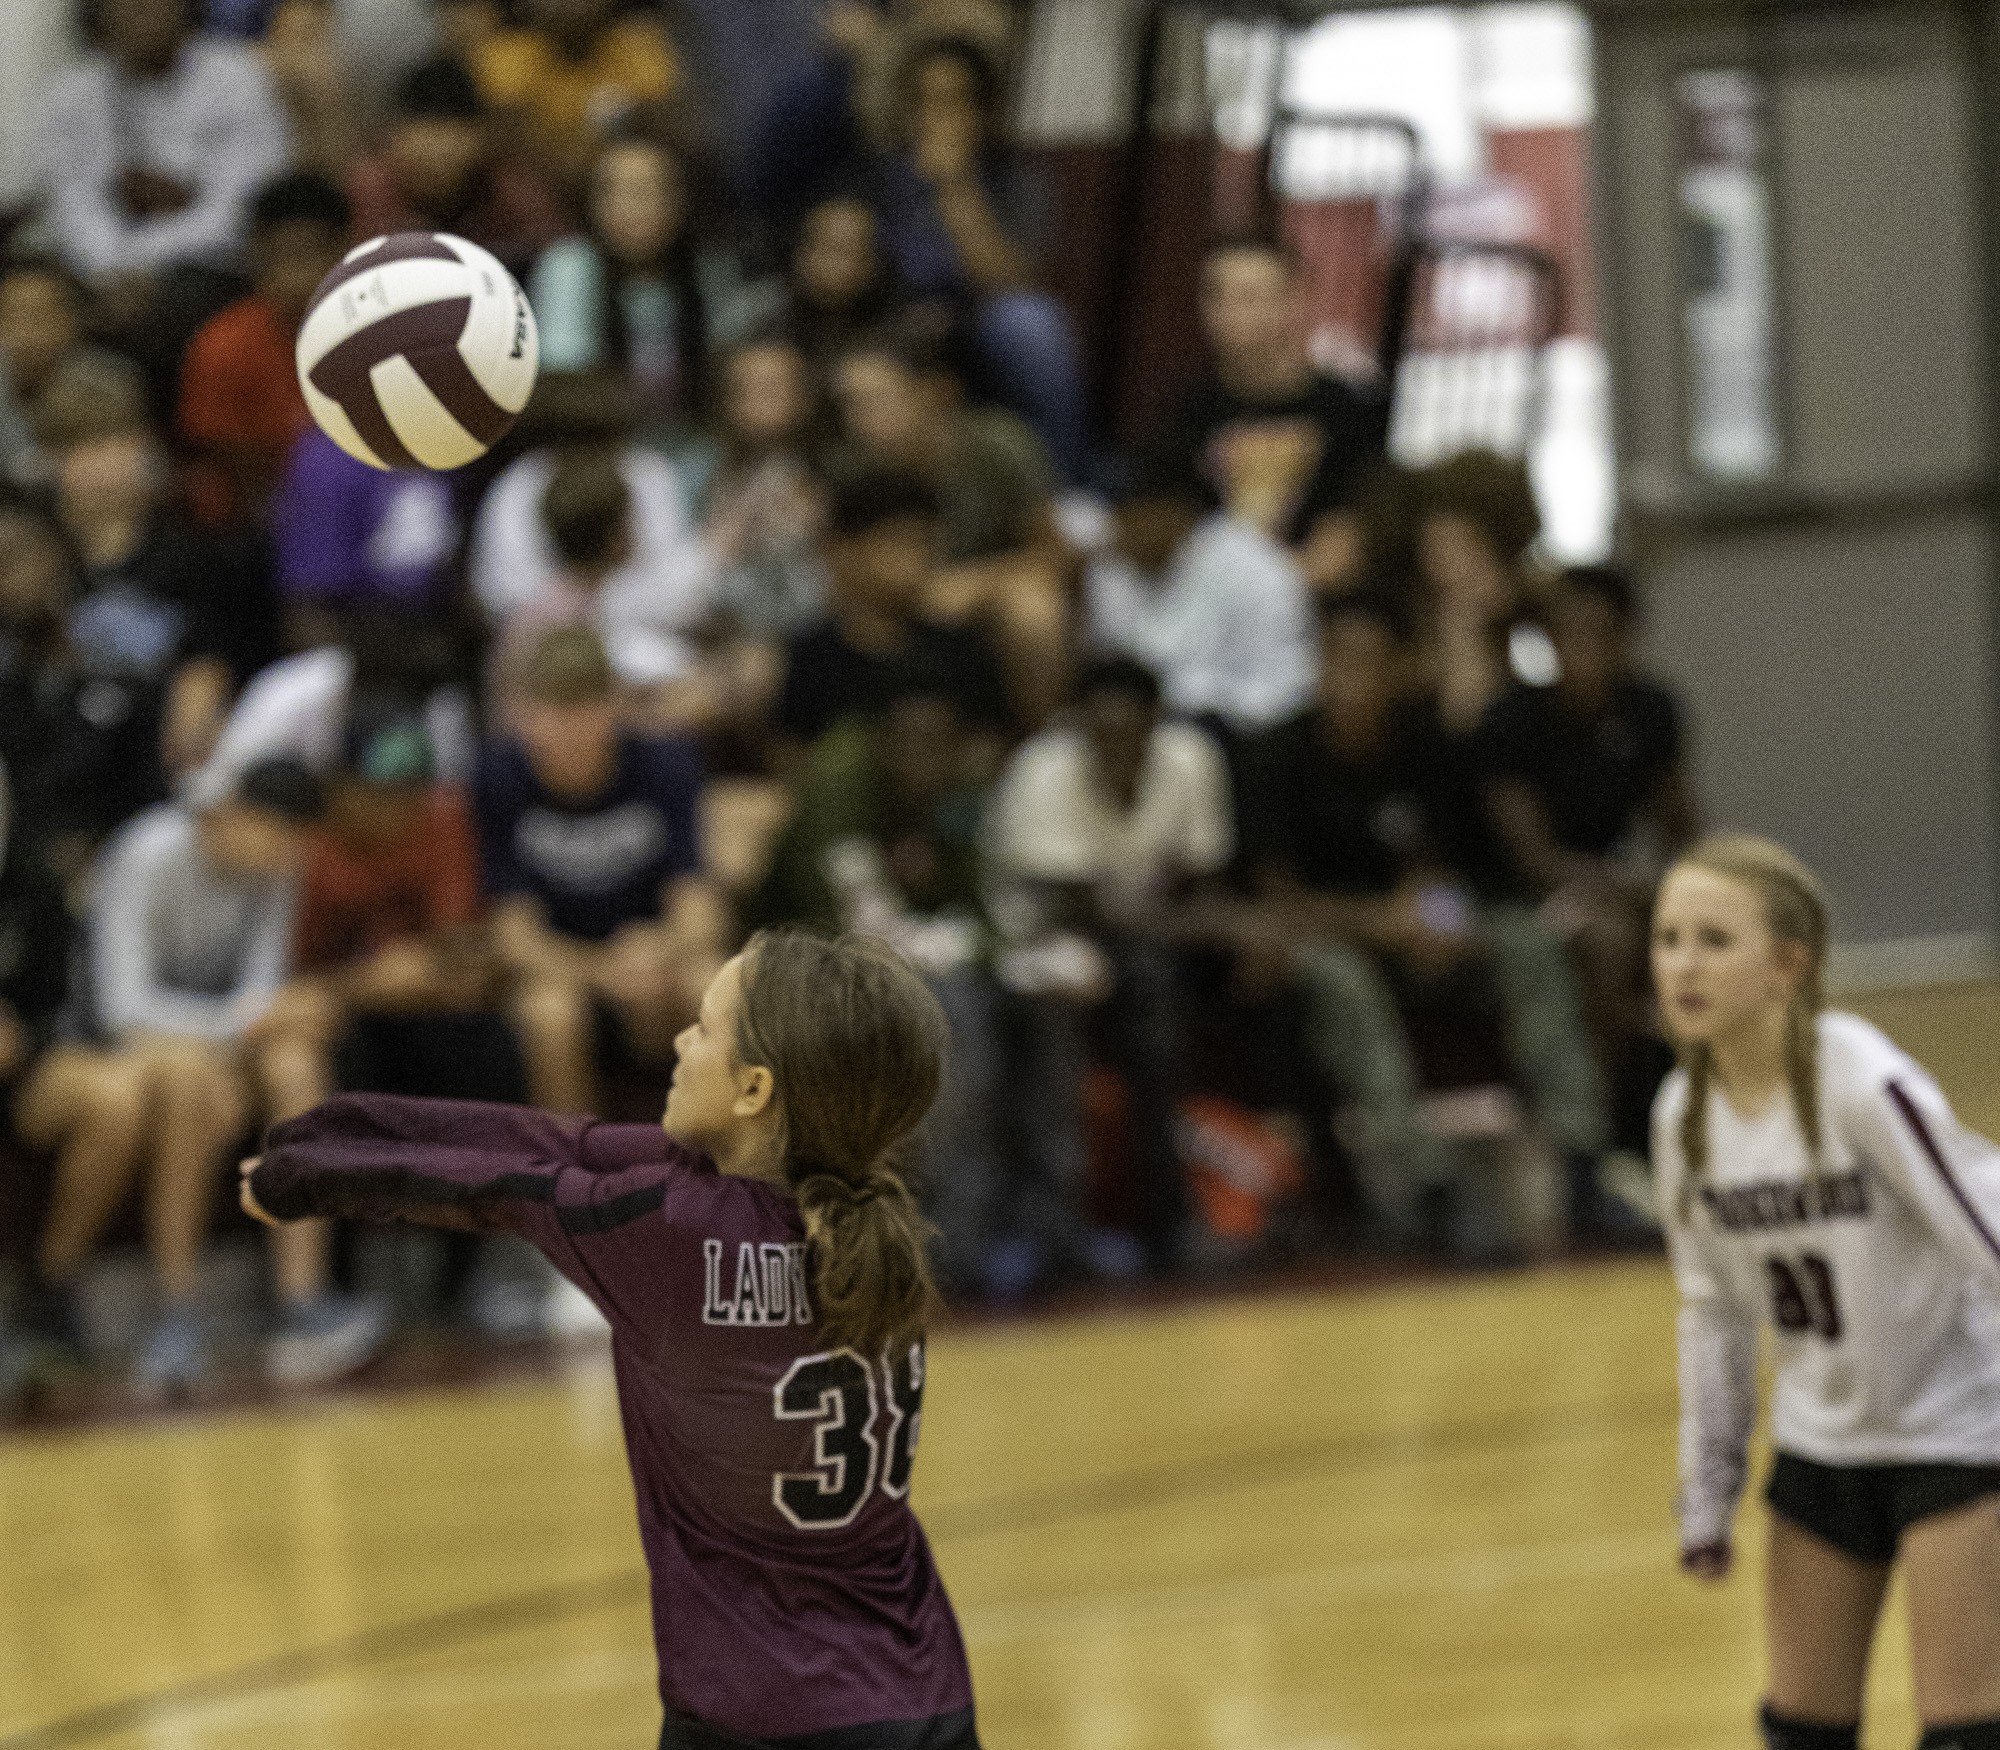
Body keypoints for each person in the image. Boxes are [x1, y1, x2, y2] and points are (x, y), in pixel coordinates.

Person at [241, 928, 983, 1748]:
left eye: (702, 1028)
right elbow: (562, 1141)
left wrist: (302, 1173)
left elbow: (503, 1187)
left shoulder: (673, 1233)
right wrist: (320, 1139)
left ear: (753, 1089)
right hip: (925, 1694)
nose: (679, 1040)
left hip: (761, 1715)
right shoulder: (876, 1218)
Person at [1652, 834, 2000, 1750]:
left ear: (1788, 965)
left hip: (1953, 1435)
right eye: (1668, 937)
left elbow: (1988, 1233)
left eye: (1714, 941)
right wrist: (1707, 1492)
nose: (1682, 964)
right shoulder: (1679, 1118)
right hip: (1823, 1445)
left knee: (1965, 1731)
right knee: (1801, 1729)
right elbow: (1713, 1315)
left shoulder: (1859, 1077)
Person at [1237, 590, 1607, 1253]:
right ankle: (1426, 1187)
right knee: (1341, 981)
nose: (1352, 678)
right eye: (1338, 659)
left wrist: (1438, 917)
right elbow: (1279, 898)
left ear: (1399, 667)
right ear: (1316, 664)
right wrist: (1382, 921)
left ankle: (1579, 1163)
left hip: (1421, 929)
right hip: (1330, 939)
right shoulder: (1278, 755)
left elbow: (1454, 869)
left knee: (1527, 944)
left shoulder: (1428, 744)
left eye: (1369, 661)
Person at [80, 757, 387, 1393]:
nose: (290, 859)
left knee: (298, 1063)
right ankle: (178, 1312)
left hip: (214, 1040)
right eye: (281, 840)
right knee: (192, 1083)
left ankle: (301, 1303)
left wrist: (251, 1028)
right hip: (116, 1042)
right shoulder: (148, 851)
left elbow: (262, 992)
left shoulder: (278, 868)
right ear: (234, 817)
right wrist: (240, 1031)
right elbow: (122, 1005)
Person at [985, 656, 1236, 1268]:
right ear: (1079, 727)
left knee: (1167, 990)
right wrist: (1217, 924)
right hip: (1031, 946)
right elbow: (1079, 908)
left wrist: (1225, 929)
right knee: (1077, 1011)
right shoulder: (1042, 772)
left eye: (1132, 730)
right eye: (1102, 731)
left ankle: (1168, 1223)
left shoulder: (1191, 762)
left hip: (1146, 946)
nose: (1117, 744)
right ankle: (1057, 1227)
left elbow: (1199, 876)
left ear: (1157, 723)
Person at [1483, 564, 1698, 1154]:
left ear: (1627, 636)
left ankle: (1724, 1113)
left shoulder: (1651, 710)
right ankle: (1599, 1136)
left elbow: (1680, 823)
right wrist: (1625, 885)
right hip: (1525, 897)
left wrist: (1696, 884)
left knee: (1720, 929)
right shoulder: (1512, 720)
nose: (1584, 648)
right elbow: (1530, 857)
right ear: (1547, 639)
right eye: (1567, 632)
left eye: (1600, 632)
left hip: (1619, 884)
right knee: (1608, 944)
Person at [477, 625, 724, 1117]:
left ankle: (727, 1169)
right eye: (553, 711)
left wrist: (662, 946)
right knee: (551, 1013)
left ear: (615, 706)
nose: (570, 729)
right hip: (563, 960)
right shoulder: (497, 778)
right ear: (521, 715)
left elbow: (699, 905)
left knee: (717, 985)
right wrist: (604, 970)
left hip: (653, 948)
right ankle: (572, 1179)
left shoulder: (665, 763)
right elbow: (513, 937)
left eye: (586, 708)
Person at [830, 321, 1067, 723]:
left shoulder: (995, 444)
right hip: (889, 598)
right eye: (849, 405)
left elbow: (1056, 556)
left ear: (932, 394)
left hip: (985, 598)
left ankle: (1038, 749)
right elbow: (837, 566)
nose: (856, 420)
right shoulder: (849, 466)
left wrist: (975, 585)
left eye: (873, 401)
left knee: (1033, 609)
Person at [29, 0, 292, 298]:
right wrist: (111, 270)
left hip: (208, 265)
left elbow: (240, 207)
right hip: (99, 273)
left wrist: (141, 263)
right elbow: (71, 203)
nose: (143, 13)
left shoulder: (237, 75)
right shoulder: (73, 92)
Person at [1163, 235, 1388, 553]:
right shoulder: (1186, 411)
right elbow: (1156, 527)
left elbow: (1351, 541)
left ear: (1298, 301)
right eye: (1216, 295)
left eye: (1249, 296)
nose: (1229, 311)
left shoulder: (1351, 415)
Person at [775, 465, 1011, 761]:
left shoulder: (960, 650)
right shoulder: (813, 655)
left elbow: (990, 750)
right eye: (896, 542)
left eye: (923, 543)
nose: (913, 559)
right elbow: (791, 758)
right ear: (843, 550)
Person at [529, 131, 748, 445]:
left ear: (680, 201)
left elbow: (728, 382)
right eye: (611, 191)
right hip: (597, 446)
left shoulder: (709, 270)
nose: (627, 206)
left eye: (644, 190)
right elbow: (564, 385)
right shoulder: (570, 264)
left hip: (695, 447)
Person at [1082, 449, 1315, 739]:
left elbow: (1285, 689)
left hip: (1242, 735)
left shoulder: (1257, 570)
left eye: (1129, 517)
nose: (1117, 531)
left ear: (1172, 514)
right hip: (1144, 731)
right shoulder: (1111, 567)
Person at [177, 170, 352, 529]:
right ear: (257, 257)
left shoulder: (386, 334)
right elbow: (241, 474)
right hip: (254, 522)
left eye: (307, 257)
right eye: (279, 259)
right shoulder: (222, 346)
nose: (294, 277)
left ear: (343, 254)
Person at [345, 57, 564, 275]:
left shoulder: (514, 192)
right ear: (393, 139)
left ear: (482, 136)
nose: (438, 151)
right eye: (426, 135)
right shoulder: (370, 192)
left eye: (450, 135)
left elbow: (560, 253)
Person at [471, 0, 683, 186]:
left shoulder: (639, 46)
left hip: (620, 194)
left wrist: (637, 116)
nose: (572, 4)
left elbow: (671, 134)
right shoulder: (506, 55)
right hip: (535, 196)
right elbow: (497, 148)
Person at [0, 258, 102, 487]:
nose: (22, 333)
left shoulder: (106, 390)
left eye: (38, 317)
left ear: (72, 322)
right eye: (8, 317)